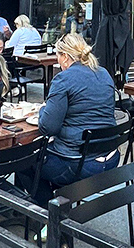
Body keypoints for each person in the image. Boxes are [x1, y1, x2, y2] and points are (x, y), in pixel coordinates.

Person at [32, 33, 118, 205]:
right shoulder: (104, 73)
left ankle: (48, 215)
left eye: (58, 55)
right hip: (111, 157)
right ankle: (61, 201)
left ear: (65, 56)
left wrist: (42, 109)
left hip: (79, 164)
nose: (57, 60)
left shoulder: (64, 79)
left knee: (26, 162)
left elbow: (48, 128)